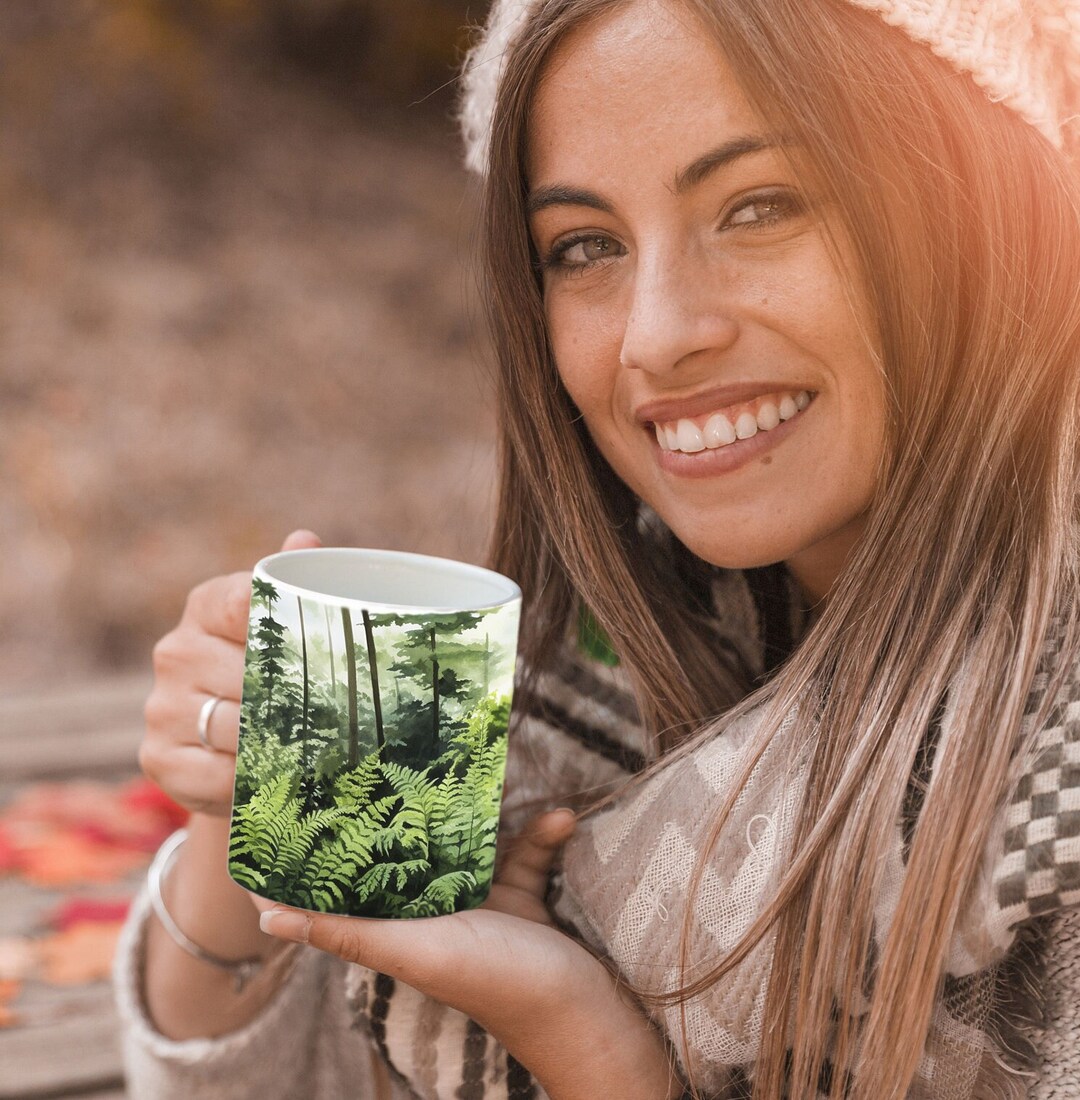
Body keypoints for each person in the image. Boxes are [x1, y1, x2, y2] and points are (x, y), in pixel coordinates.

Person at [114, 0, 1080, 1096]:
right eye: (585, 247)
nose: (656, 335)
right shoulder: (611, 667)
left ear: (995, 211)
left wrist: (591, 1050)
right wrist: (239, 811)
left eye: (760, 207)